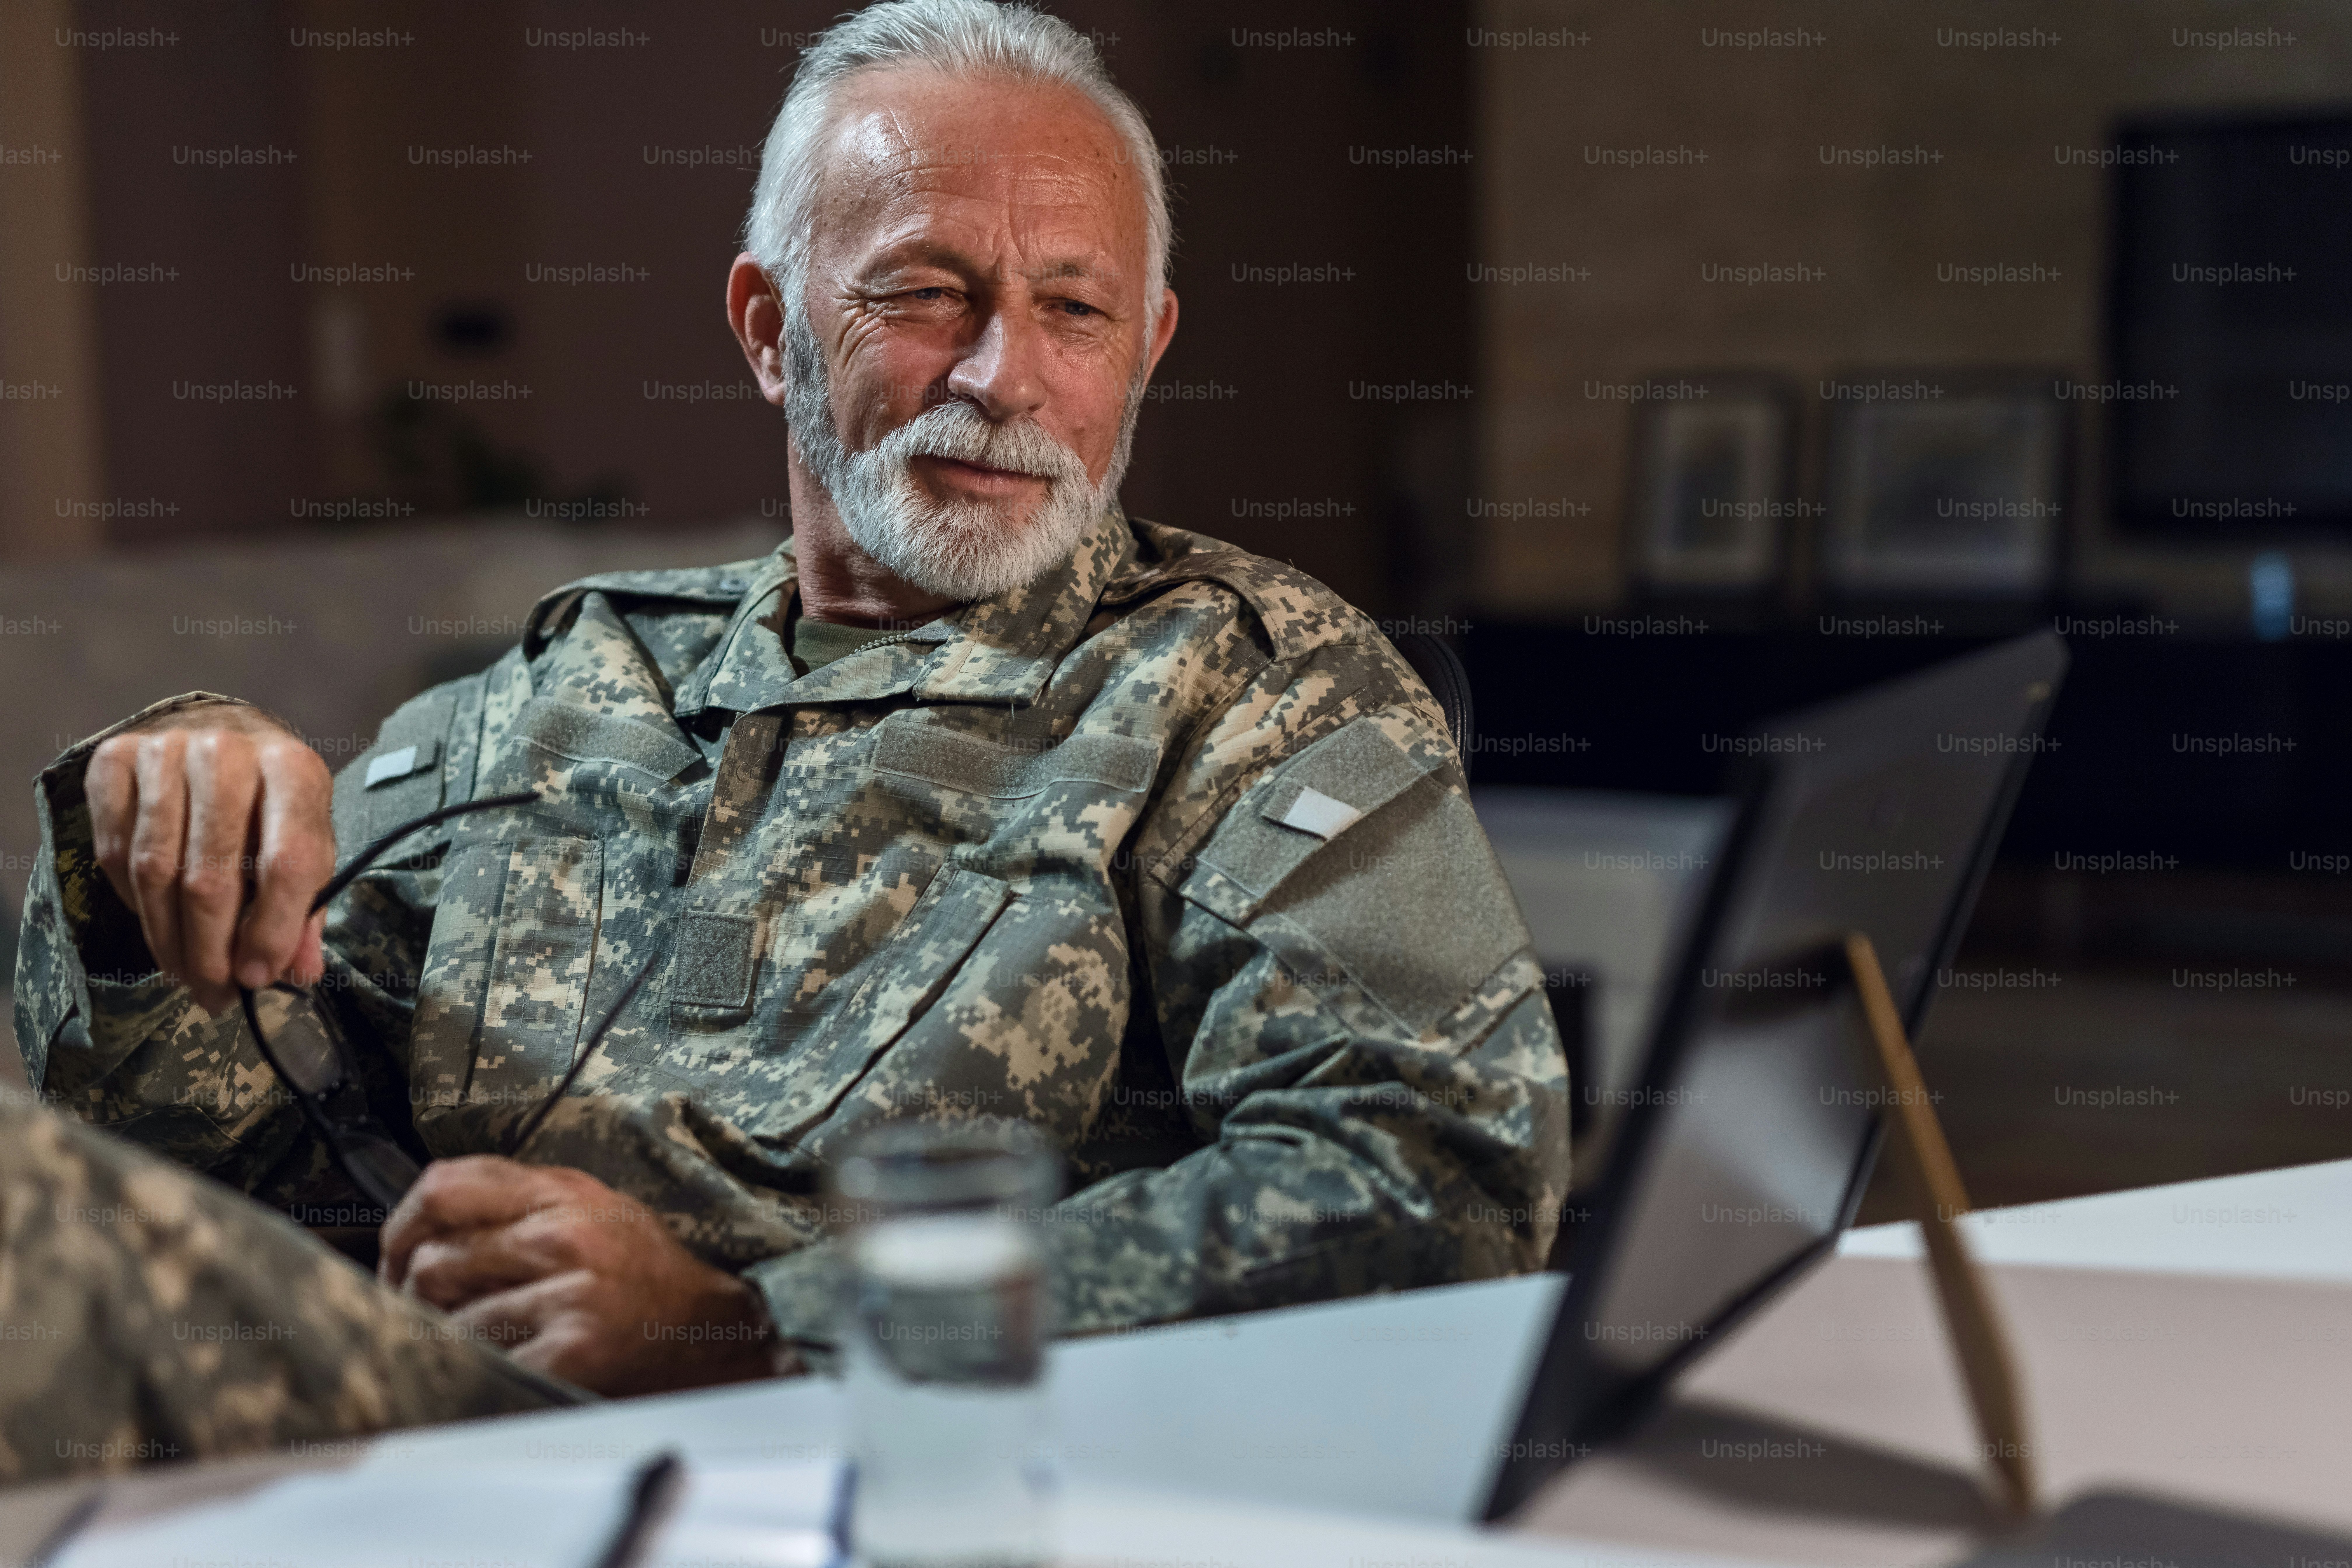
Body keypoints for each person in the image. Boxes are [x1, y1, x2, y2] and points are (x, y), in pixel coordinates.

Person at [4, 0, 1569, 1482]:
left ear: (1145, 345)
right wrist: (158, 863)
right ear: (768, 327)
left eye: (1071, 309)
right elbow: (235, 1179)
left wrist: (748, 1334)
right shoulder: (550, 691)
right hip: (443, 1448)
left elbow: (1431, 1175)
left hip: (900, 1480)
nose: (999, 375)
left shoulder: (1253, 690)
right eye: (921, 290)